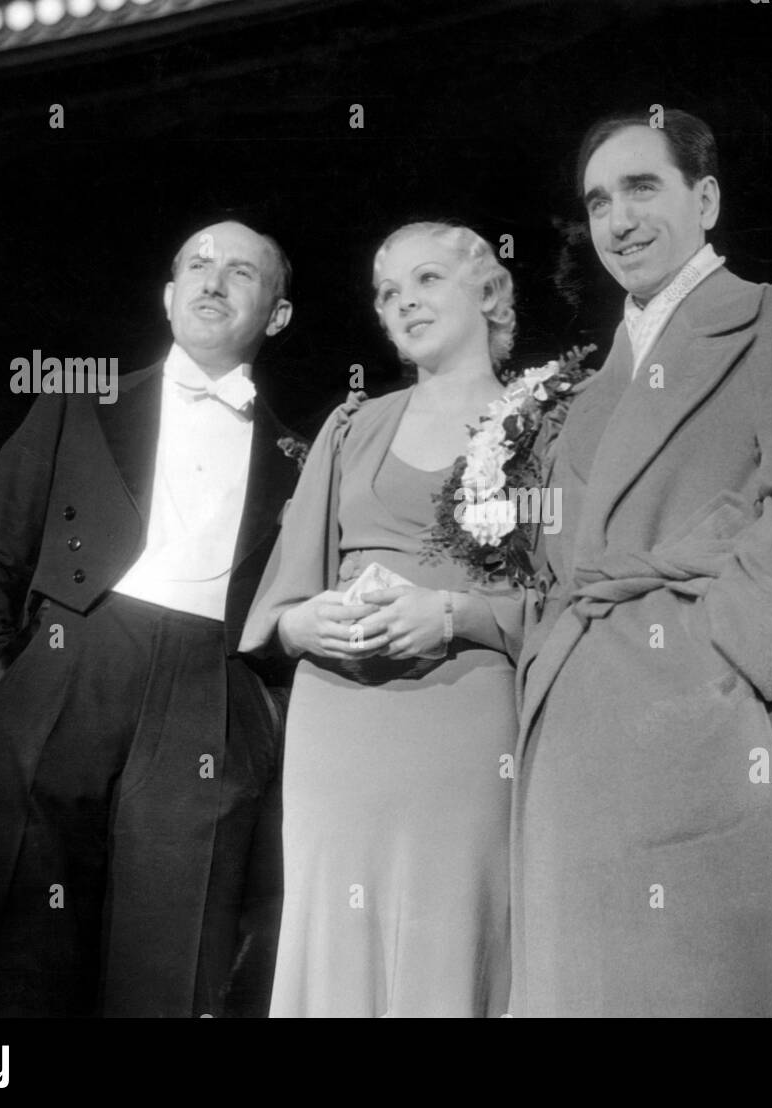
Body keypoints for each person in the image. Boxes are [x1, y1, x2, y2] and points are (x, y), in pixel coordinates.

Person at [510, 110, 772, 1016]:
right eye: (597, 200)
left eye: (641, 188)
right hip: (590, 740)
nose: (617, 219)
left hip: (741, 714)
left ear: (705, 199)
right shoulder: (583, 399)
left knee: (729, 979)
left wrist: (726, 651)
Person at [0, 220, 307, 1017]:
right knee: (17, 965)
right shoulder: (81, 401)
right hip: (72, 666)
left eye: (241, 272)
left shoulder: (303, 458)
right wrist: (3, 682)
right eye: (197, 265)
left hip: (213, 694)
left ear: (276, 314)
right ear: (170, 293)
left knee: (168, 972)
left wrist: (260, 718)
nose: (212, 281)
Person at [240, 221, 524, 1017]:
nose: (405, 303)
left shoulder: (548, 421)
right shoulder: (350, 426)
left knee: (452, 922)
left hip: (466, 721)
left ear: (490, 291)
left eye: (428, 280)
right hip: (338, 728)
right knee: (335, 935)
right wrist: (306, 627)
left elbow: (572, 599)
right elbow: (282, 604)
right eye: (389, 292)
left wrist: (452, 613)